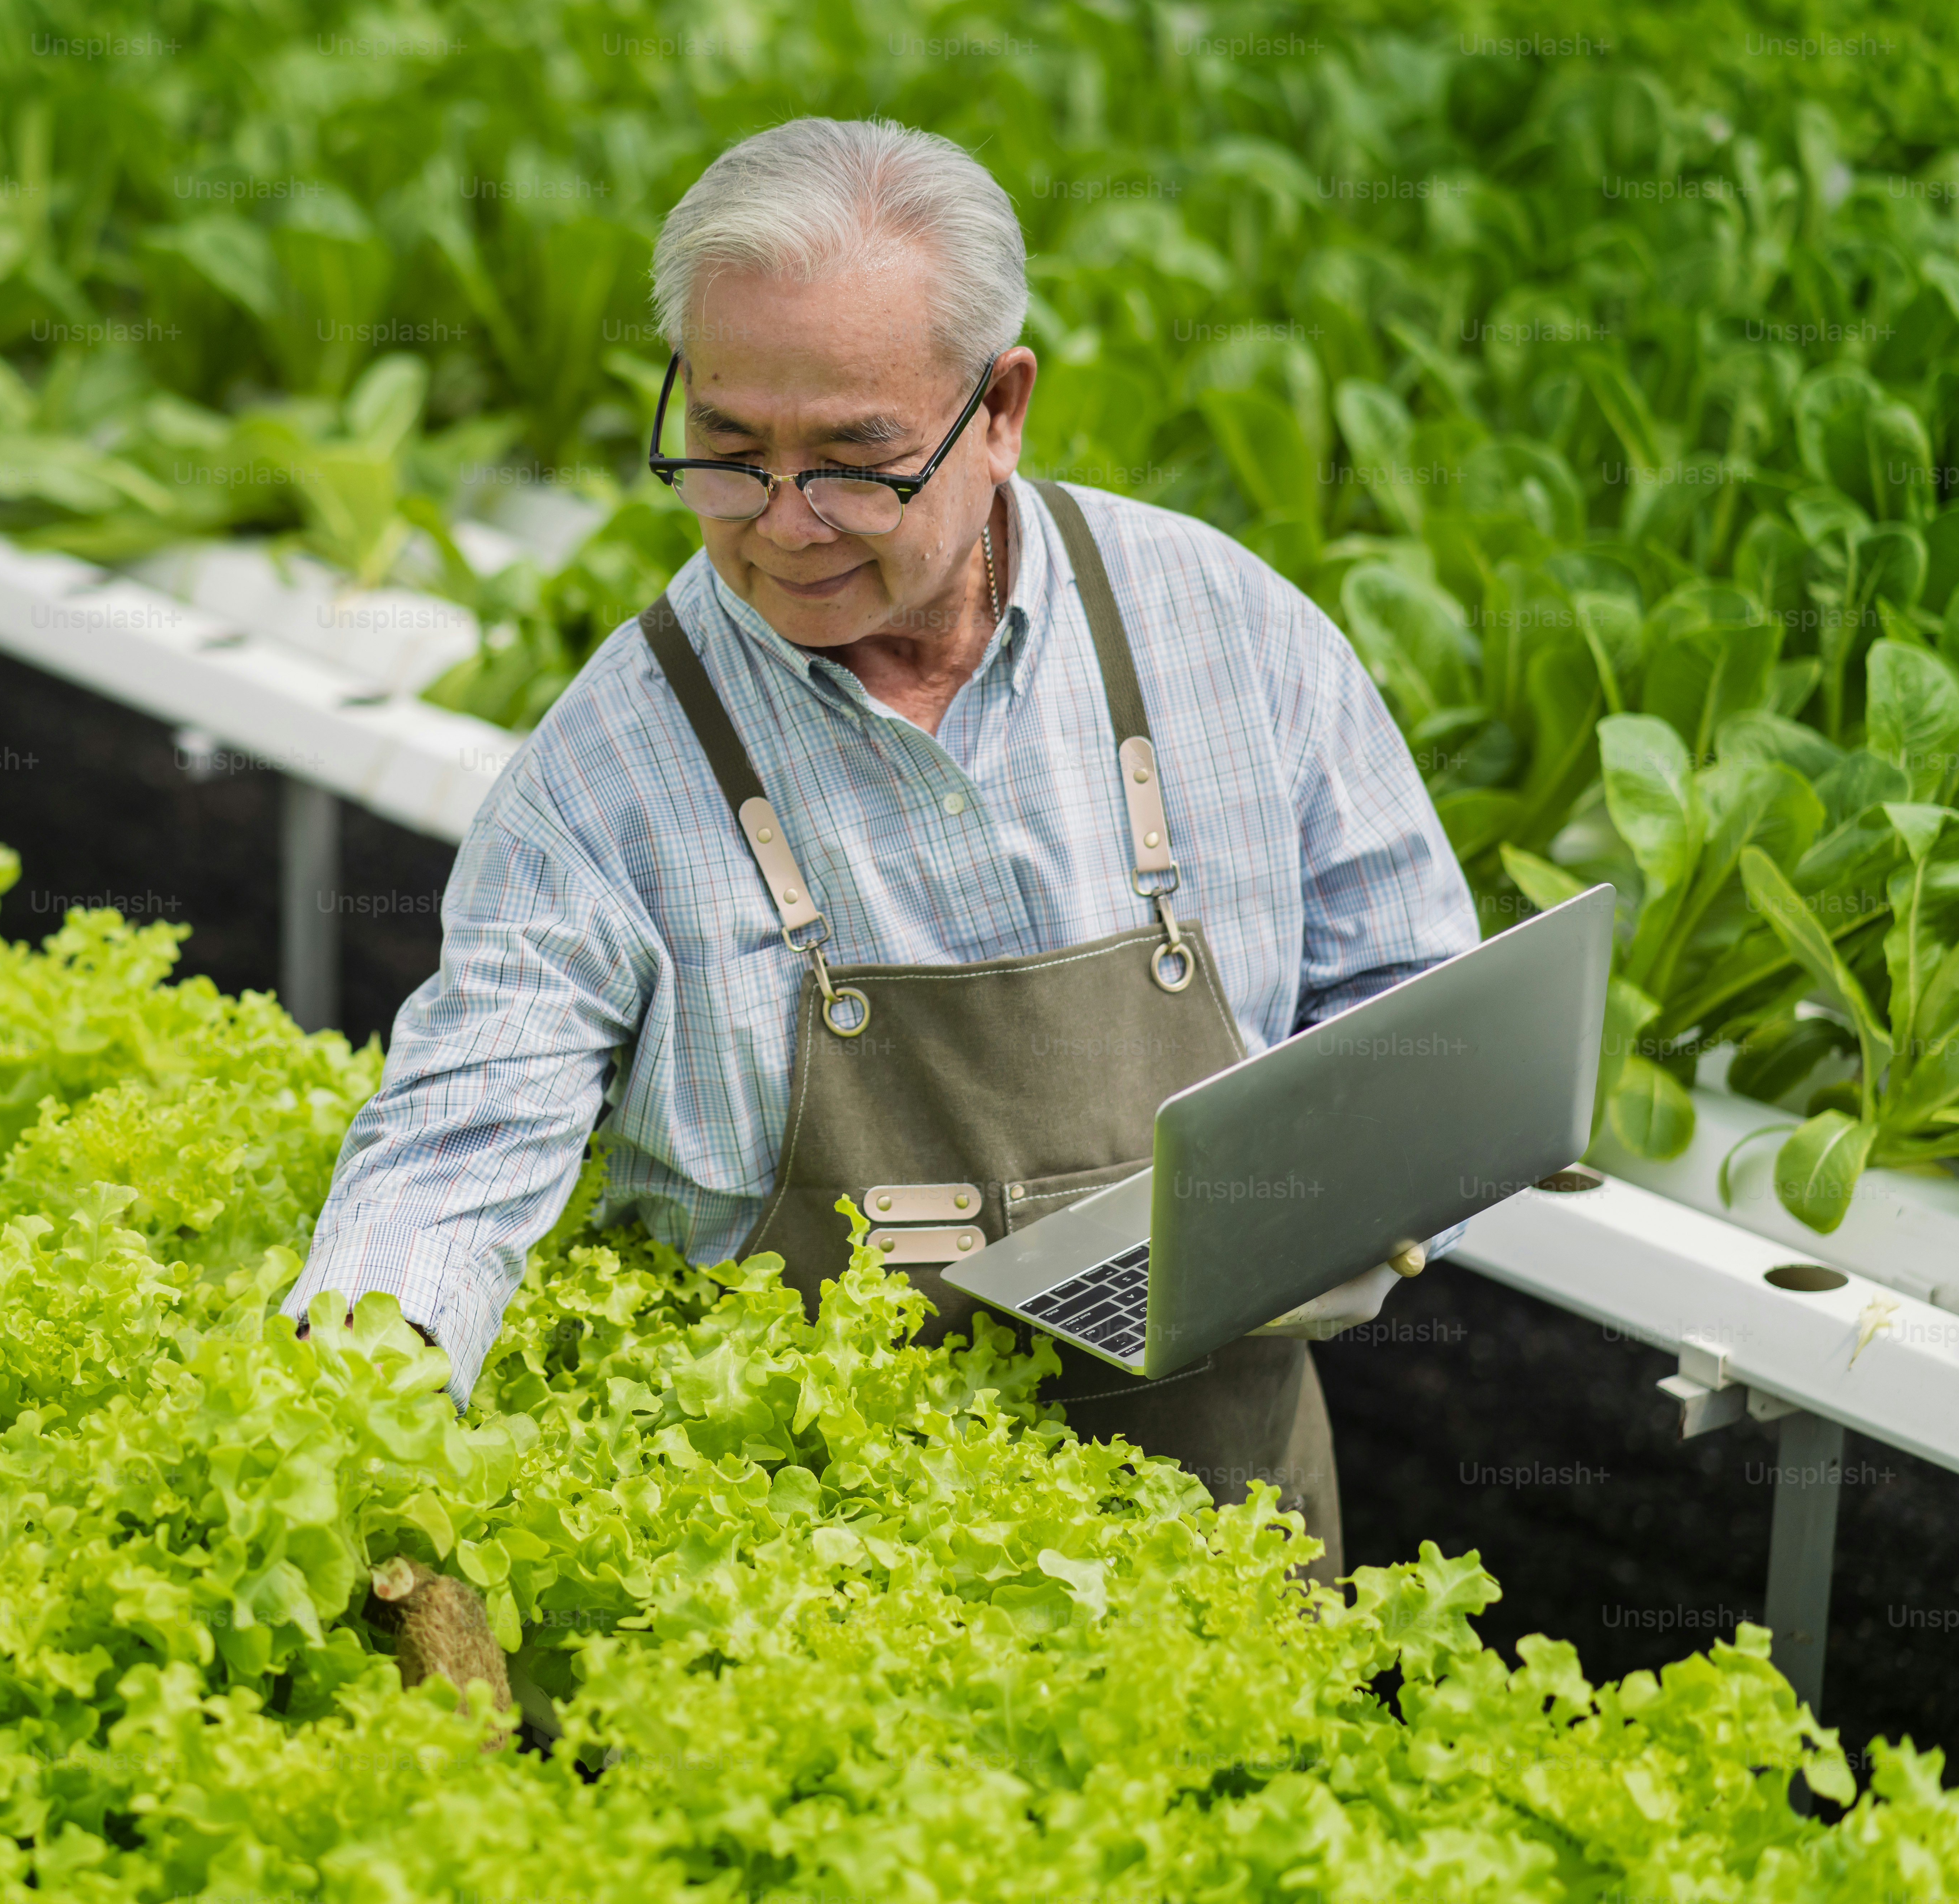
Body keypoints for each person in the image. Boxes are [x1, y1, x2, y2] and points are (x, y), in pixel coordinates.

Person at [282, 117, 1476, 1580]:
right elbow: (455, 1152)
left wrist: (1334, 1211)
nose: (784, 527)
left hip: (1211, 1549)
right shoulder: (604, 777)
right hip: (797, 1583)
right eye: (726, 457)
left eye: (855, 465)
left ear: (998, 410)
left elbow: (1418, 1016)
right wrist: (353, 1403)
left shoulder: (1225, 635)